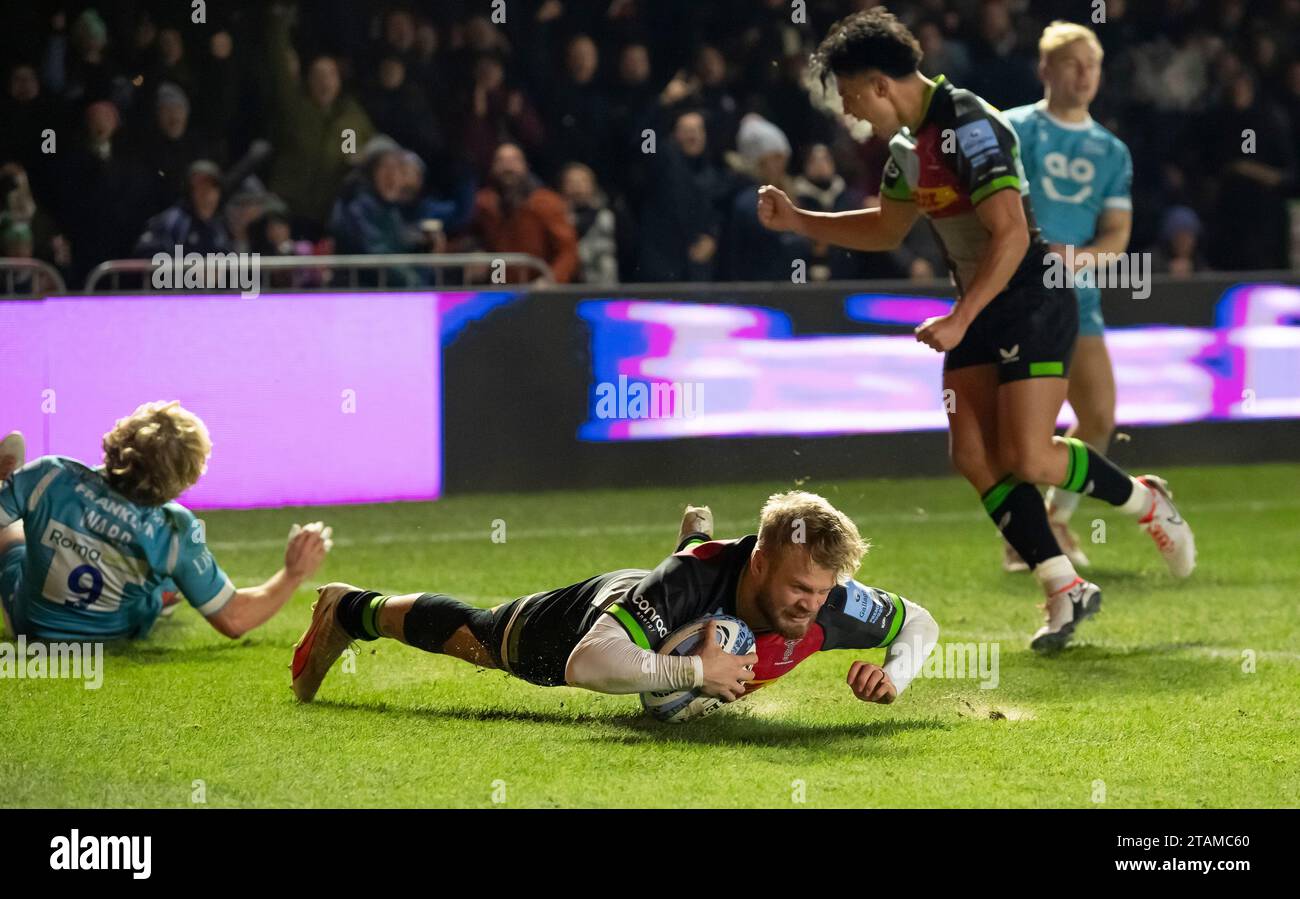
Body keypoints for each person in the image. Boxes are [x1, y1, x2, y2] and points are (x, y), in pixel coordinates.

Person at [756, 8, 1195, 652]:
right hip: (981, 308)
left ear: (879, 83)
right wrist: (800, 220)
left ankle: (1146, 501)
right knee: (972, 455)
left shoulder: (966, 121)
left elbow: (1013, 234)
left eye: (850, 96)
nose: (851, 113)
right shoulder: (907, 150)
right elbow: (884, 228)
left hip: (1030, 297)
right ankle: (1062, 586)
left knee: (1027, 456)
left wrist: (962, 317)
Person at [291, 491, 940, 711]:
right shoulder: (690, 583)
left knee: (683, 625)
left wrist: (895, 672)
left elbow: (919, 620)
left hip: (683, 601)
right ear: (761, 561)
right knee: (487, 640)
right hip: (606, 607)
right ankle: (351, 608)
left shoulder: (828, 599)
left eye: (823, 592)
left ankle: (695, 537)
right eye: (801, 589)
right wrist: (694, 671)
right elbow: (585, 661)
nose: (811, 604)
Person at [0, 402, 331, 642]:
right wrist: (293, 573)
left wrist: (17, 488)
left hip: (30, 626)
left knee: (12, 536)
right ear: (185, 478)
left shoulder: (50, 475)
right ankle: (164, 596)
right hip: (118, 634)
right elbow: (235, 618)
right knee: (172, 574)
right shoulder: (175, 530)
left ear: (119, 435)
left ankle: (6, 490)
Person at [1002, 22, 1136, 571]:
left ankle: (1056, 517)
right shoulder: (1013, 130)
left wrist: (1080, 260)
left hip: (1077, 299)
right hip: (1016, 297)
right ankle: (1021, 533)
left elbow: (1117, 234)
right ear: (1045, 69)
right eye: (1073, 63)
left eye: (1093, 64)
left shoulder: (1112, 149)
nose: (1085, 74)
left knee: (1099, 415)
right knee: (1022, 430)